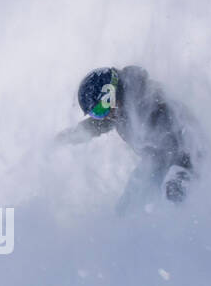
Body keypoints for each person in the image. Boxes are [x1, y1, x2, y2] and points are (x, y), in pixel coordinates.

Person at [56, 66, 195, 210]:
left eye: (101, 109)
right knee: (127, 208)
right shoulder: (119, 108)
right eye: (97, 113)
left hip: (186, 159)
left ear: (110, 94)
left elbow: (186, 141)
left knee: (172, 201)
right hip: (155, 161)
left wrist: (179, 175)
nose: (105, 115)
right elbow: (96, 125)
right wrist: (69, 136)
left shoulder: (150, 102)